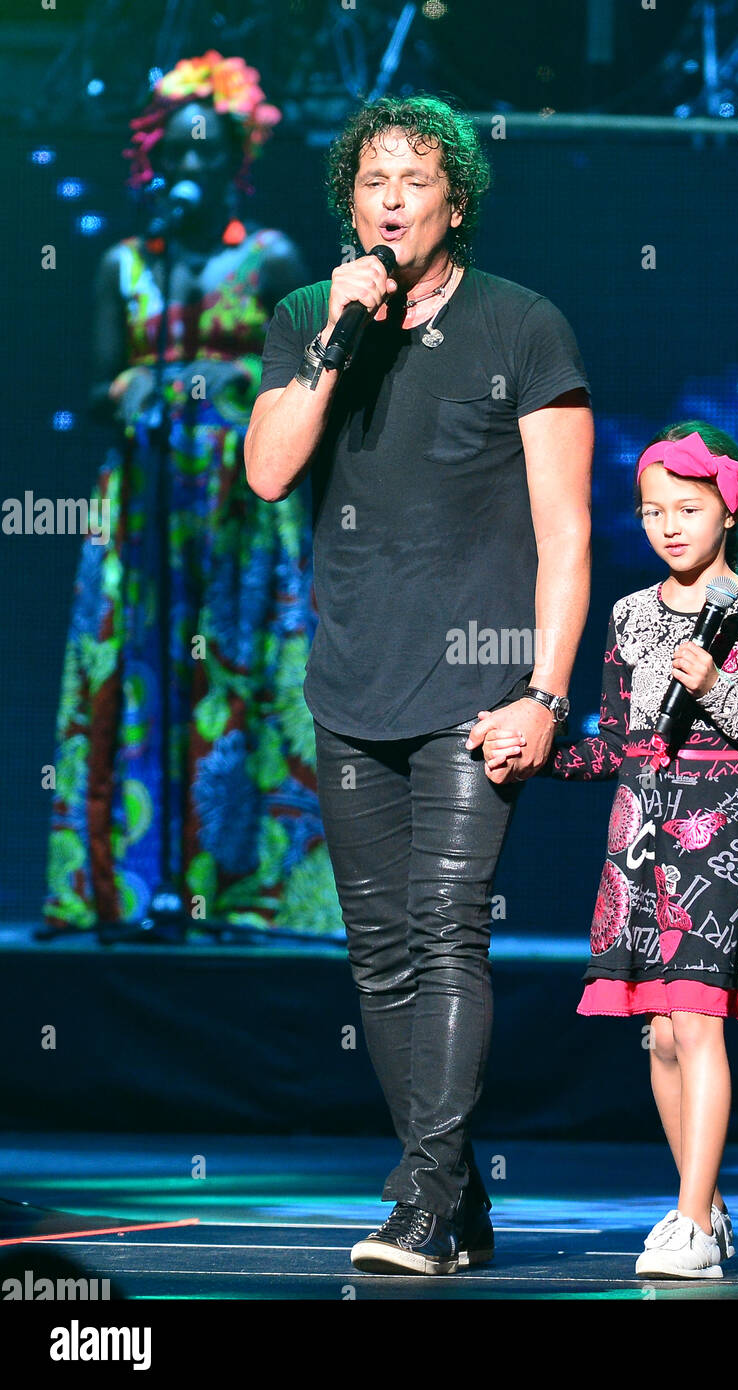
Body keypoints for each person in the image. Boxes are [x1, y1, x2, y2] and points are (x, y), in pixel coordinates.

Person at [245, 94, 593, 1274]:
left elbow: (565, 532)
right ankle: (458, 1195)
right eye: (371, 181)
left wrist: (546, 693)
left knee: (448, 936)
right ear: (348, 199)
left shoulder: (523, 325)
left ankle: (421, 1204)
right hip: (352, 677)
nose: (391, 201)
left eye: (415, 179)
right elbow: (268, 470)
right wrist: (339, 341)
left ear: (457, 198)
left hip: (479, 686)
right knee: (379, 953)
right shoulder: (307, 314)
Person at [483, 423, 738, 1279]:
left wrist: (715, 684)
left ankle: (691, 1224)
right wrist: (540, 753)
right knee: (660, 1033)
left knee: (698, 1020)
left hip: (717, 839)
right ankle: (709, 1207)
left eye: (687, 508)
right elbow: (619, 744)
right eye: (652, 511)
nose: (669, 526)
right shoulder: (628, 614)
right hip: (638, 841)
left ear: (727, 510)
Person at [43, 52, 344, 937]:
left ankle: (247, 892)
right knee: (139, 680)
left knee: (237, 678)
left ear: (238, 159)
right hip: (144, 503)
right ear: (151, 161)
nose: (192, 168)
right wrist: (133, 391)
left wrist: (223, 381)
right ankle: (128, 888)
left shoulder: (273, 258)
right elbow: (98, 389)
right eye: (176, 153)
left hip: (242, 503)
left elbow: (306, 381)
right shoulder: (122, 265)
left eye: (211, 153)